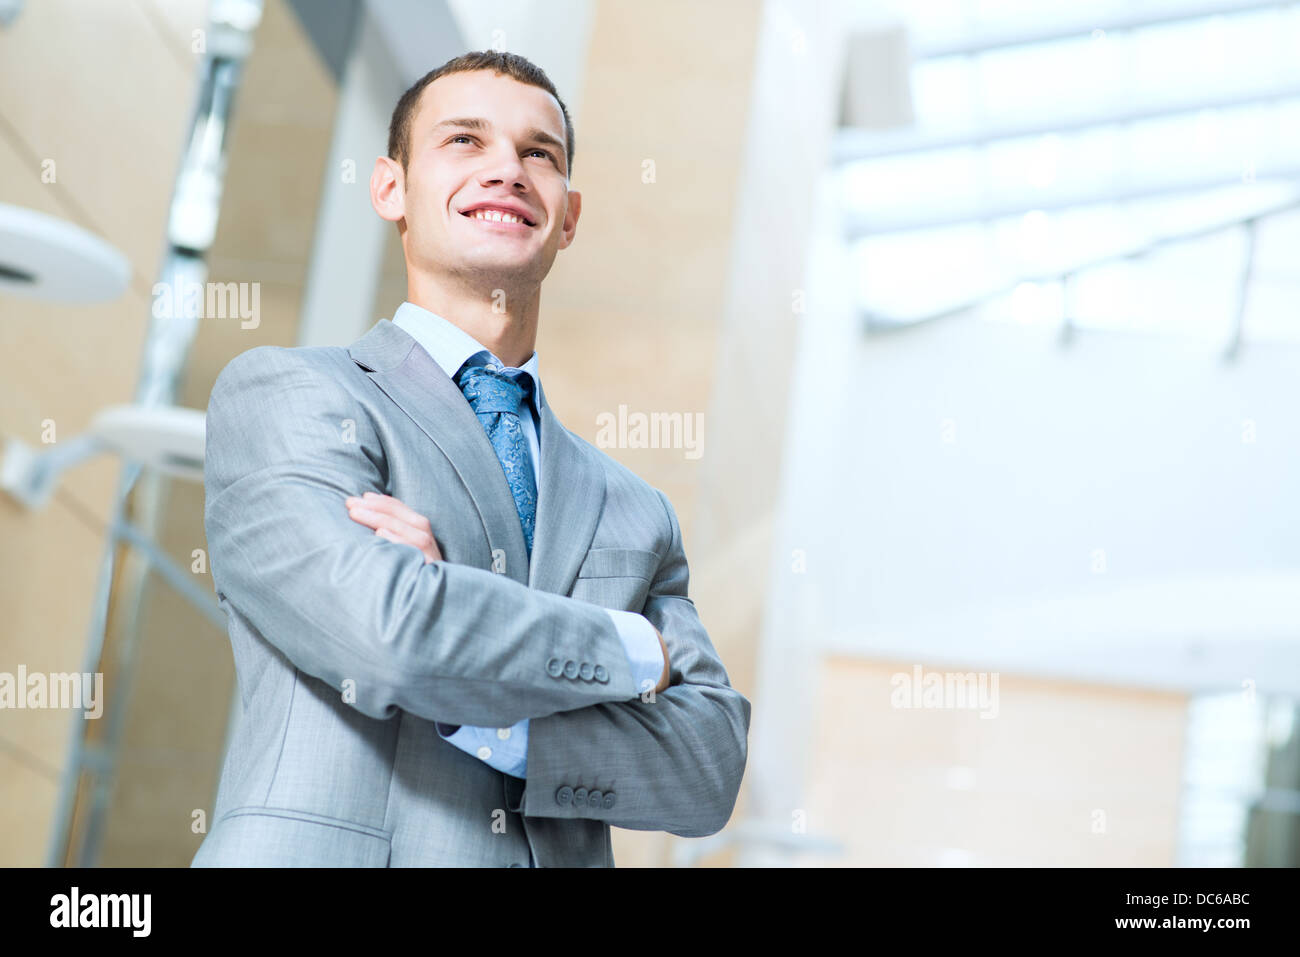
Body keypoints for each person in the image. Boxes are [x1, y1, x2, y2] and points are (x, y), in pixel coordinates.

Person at [191, 50, 750, 867]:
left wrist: (486, 698)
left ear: (568, 214)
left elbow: (708, 767)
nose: (507, 170)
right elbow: (389, 636)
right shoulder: (291, 396)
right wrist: (634, 651)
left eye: (539, 153)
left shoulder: (636, 511)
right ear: (391, 188)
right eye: (464, 141)